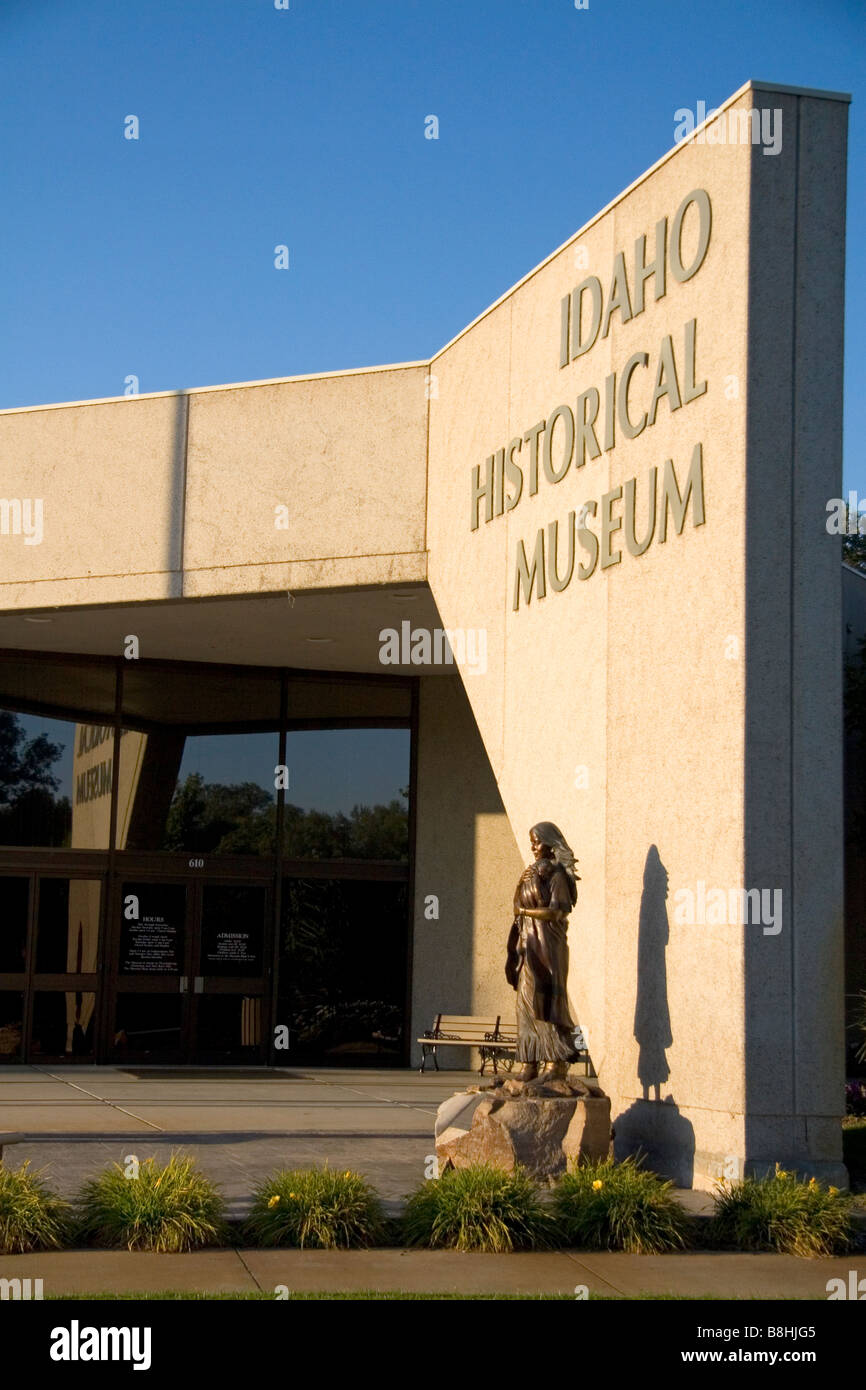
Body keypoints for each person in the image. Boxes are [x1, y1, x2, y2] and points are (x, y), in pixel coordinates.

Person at [506, 821, 580, 1082]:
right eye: (532, 841)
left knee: (546, 1002)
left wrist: (525, 911)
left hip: (548, 949)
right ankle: (529, 1061)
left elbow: (558, 912)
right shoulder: (530, 873)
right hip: (528, 947)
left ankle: (555, 1062)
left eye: (537, 841)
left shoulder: (557, 875)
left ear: (550, 843)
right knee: (525, 1004)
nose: (533, 846)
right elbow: (517, 905)